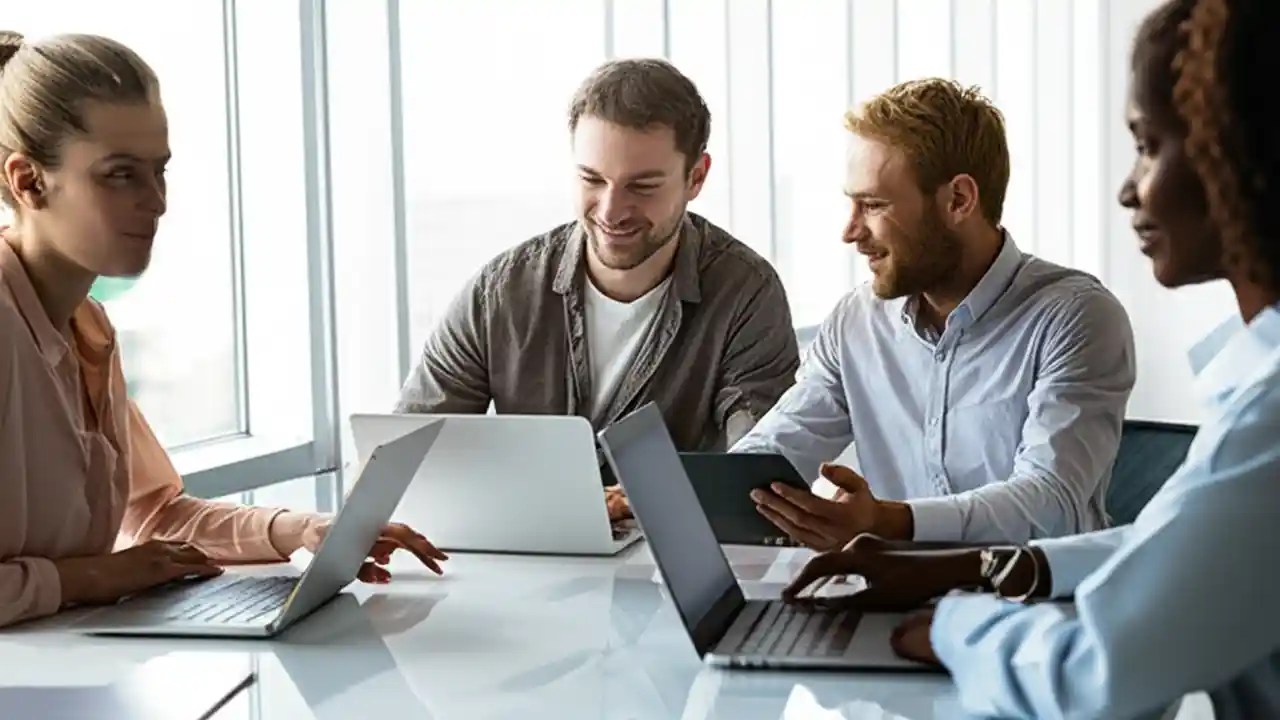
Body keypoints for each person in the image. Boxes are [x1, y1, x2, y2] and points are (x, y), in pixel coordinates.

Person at [785, 1, 1280, 716]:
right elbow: (1158, 546)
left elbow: (1091, 676)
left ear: (1236, 157)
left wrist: (951, 617)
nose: (1129, 189)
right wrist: (961, 568)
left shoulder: (1264, 415)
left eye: (1149, 145)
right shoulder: (1256, 389)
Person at [0, 32, 446, 629]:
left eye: (159, 171)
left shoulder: (87, 325)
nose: (156, 201)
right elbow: (113, 562)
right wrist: (91, 578)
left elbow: (155, 517)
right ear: (29, 182)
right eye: (120, 175)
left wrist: (306, 532)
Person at [733, 78, 1136, 549]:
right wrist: (688, 492)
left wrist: (890, 522)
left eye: (873, 205)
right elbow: (776, 448)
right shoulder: (855, 322)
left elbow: (1049, 502)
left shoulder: (1075, 318)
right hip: (889, 587)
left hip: (1032, 592)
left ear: (959, 200)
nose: (850, 231)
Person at [396, 58, 799, 518]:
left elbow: (760, 471)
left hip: (663, 547)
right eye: (592, 179)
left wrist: (651, 497)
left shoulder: (746, 293)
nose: (611, 211)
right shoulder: (499, 294)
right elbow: (406, 456)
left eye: (642, 187)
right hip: (525, 542)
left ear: (696, 177)